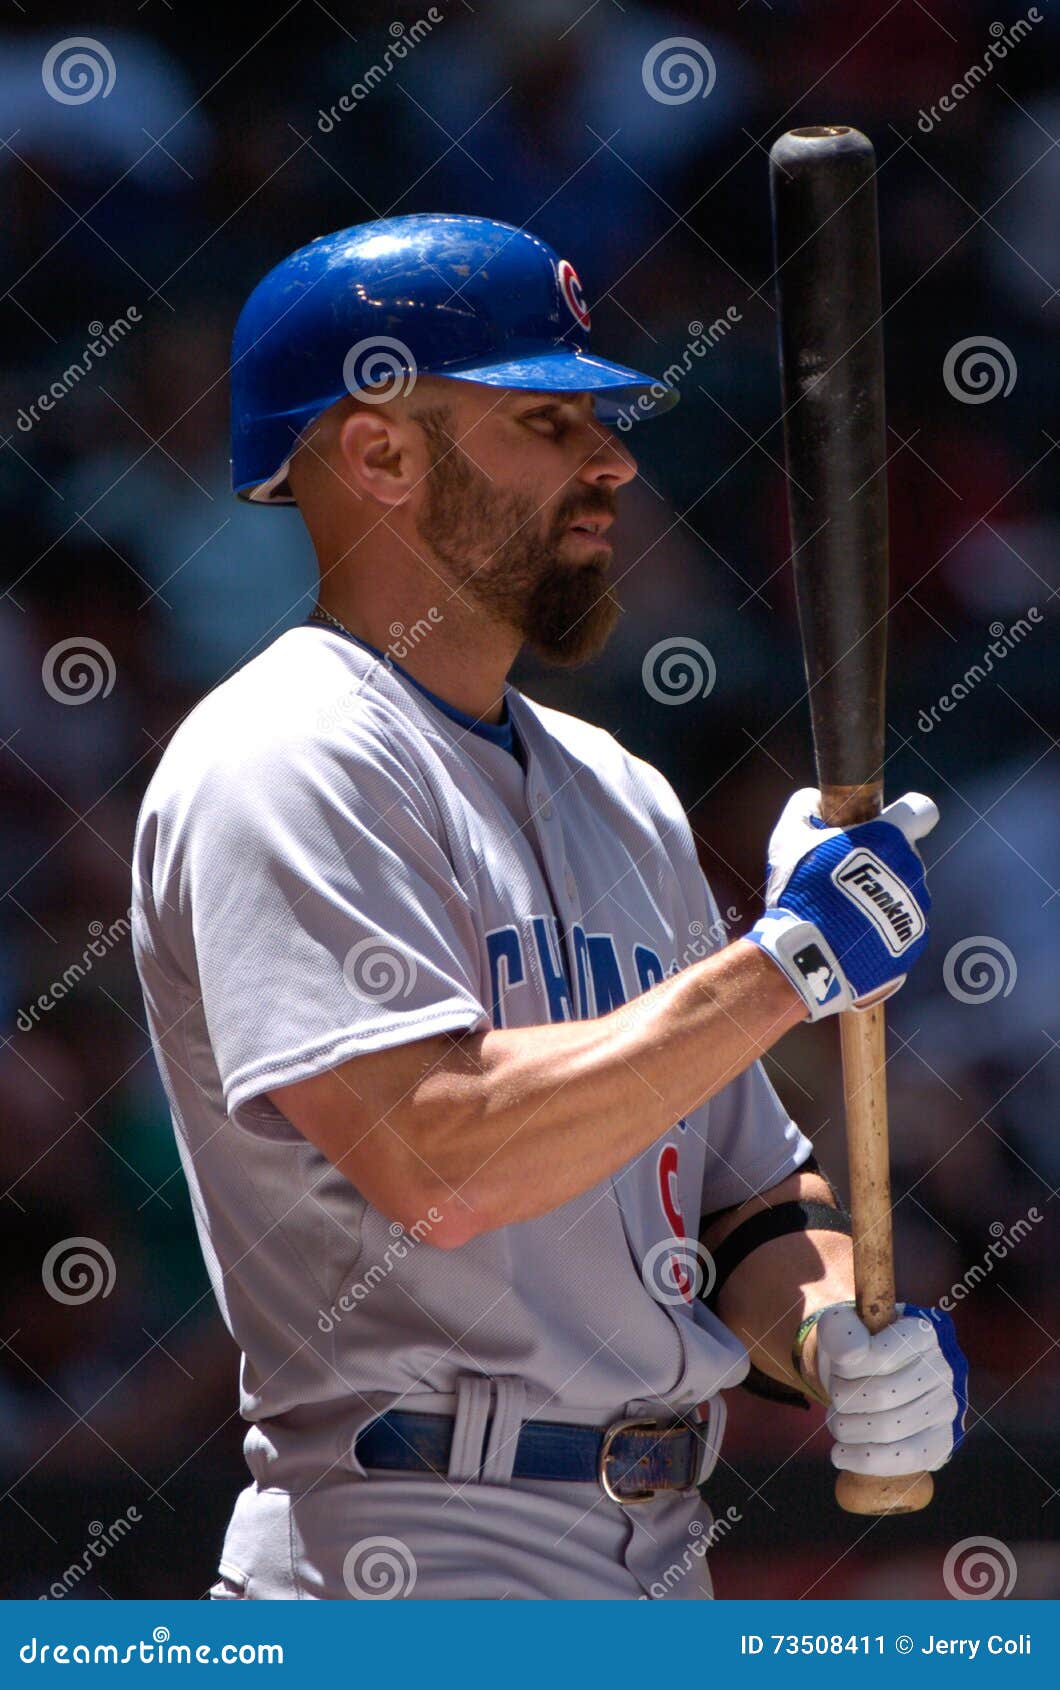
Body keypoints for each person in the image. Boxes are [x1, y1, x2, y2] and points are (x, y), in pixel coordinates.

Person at [131, 215, 967, 1601]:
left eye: (598, 417)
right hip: (405, 1547)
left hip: (658, 1547)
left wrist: (832, 1335)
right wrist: (784, 964)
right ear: (381, 454)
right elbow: (439, 1156)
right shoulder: (283, 749)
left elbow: (751, 1199)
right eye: (546, 419)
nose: (614, 460)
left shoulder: (617, 788)